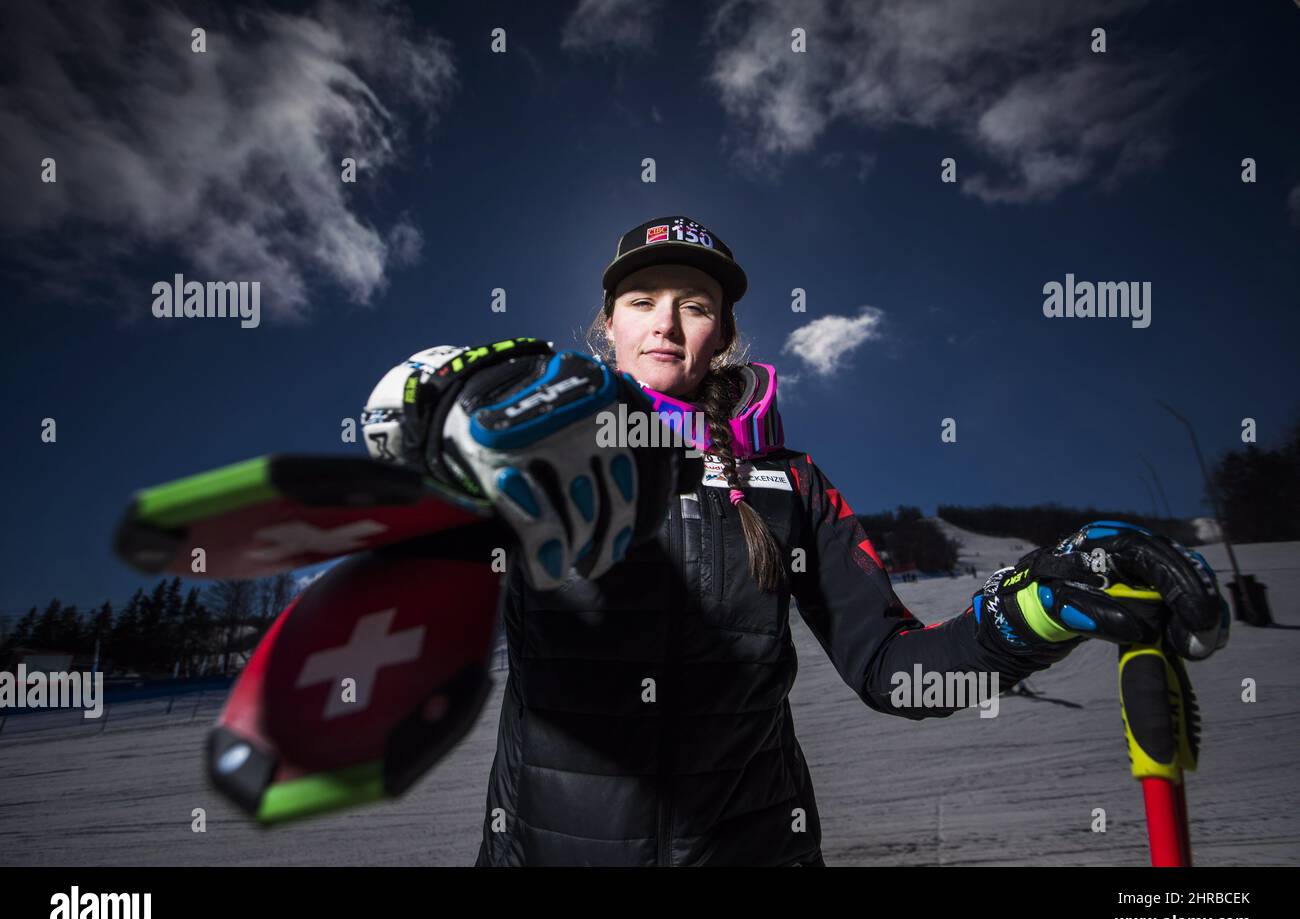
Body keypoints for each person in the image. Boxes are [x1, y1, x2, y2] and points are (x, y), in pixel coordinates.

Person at [361, 215, 1230, 866]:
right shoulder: (543, 458)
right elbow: (413, 509)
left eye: (694, 306)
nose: (666, 322)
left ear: (722, 336)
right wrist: (430, 403)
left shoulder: (792, 484)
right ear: (610, 327)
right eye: (641, 302)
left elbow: (897, 672)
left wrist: (1034, 612)